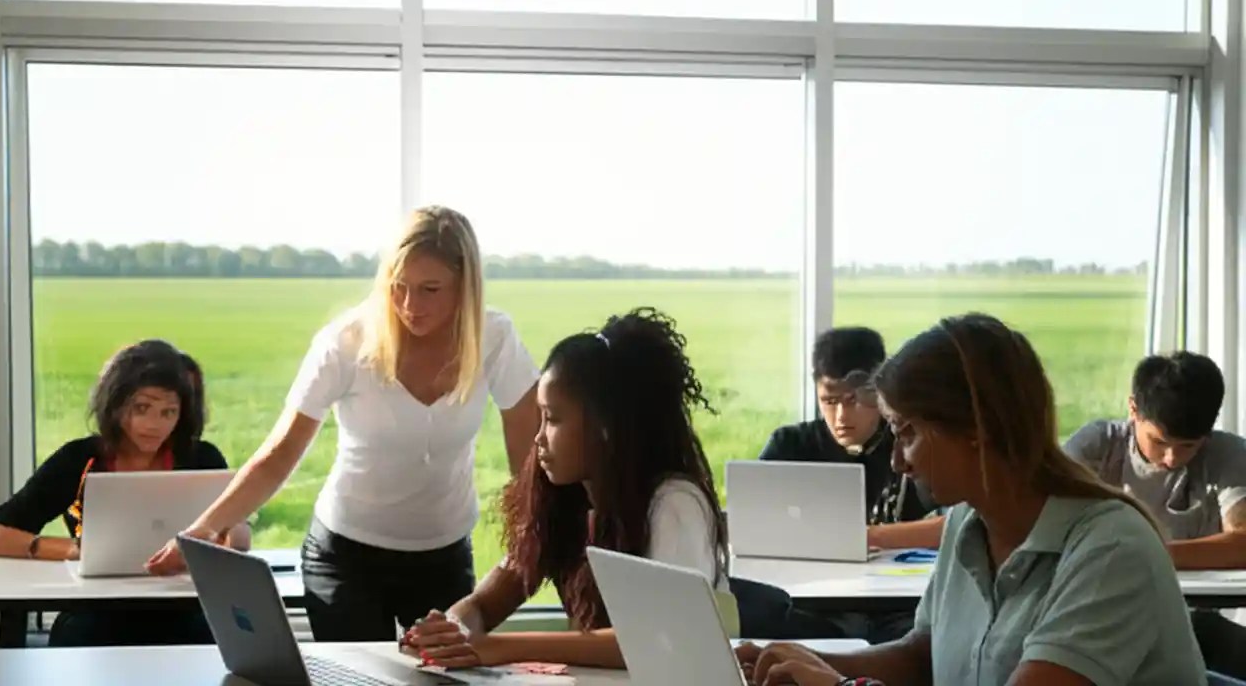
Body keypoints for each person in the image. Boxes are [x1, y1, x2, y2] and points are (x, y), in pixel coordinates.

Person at [145, 206, 542, 645]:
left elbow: (530, 459)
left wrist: (542, 540)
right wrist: (201, 530)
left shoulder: (495, 337)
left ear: (466, 288)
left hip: (443, 557)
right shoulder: (346, 341)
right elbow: (278, 455)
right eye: (399, 287)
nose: (411, 306)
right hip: (345, 557)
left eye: (431, 289)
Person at [737, 314, 1205, 686]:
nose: (899, 461)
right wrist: (793, 660)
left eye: (908, 433)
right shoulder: (967, 521)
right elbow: (924, 656)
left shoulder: (1111, 550)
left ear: (976, 429)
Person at [403, 308, 729, 669]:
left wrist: (503, 648)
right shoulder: (565, 499)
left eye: (553, 419)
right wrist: (455, 630)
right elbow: (484, 603)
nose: (539, 437)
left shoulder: (675, 505)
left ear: (606, 426)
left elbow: (657, 641)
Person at [0, 340, 248, 647]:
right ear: (116, 404)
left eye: (168, 412)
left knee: (219, 639)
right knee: (80, 635)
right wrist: (73, 551)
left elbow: (241, 536)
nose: (154, 425)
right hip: (96, 611)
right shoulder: (79, 459)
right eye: (141, 408)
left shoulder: (201, 458)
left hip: (183, 607)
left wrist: (207, 542)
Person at [1063, 351, 1246, 679]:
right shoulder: (1096, 448)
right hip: (1098, 615)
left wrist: (1143, 552)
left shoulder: (1229, 455)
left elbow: (1243, 542)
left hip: (1192, 623)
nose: (1172, 458)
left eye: (1189, 446)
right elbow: (1040, 514)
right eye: (1159, 442)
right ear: (1133, 409)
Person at [759, 327, 940, 644]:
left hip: (897, 608)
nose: (841, 416)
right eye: (828, 401)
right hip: (814, 606)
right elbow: (751, 523)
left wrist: (870, 537)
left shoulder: (908, 445)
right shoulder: (790, 446)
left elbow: (956, 523)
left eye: (853, 400)